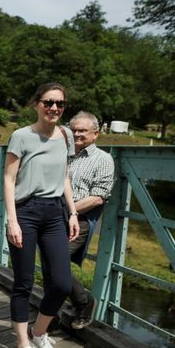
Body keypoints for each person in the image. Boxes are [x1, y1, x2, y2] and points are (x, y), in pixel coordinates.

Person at [3, 83, 80, 348]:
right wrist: (13, 220)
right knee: (23, 281)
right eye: (48, 102)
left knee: (60, 282)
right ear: (36, 104)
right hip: (26, 212)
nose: (54, 108)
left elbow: (64, 178)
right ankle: (23, 344)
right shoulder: (21, 136)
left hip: (54, 212)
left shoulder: (66, 135)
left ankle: (39, 333)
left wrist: (72, 212)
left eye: (60, 104)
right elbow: (9, 180)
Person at [66, 111, 115, 330]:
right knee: (52, 265)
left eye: (82, 130)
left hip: (80, 220)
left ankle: (84, 303)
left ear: (95, 134)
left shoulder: (102, 159)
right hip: (53, 218)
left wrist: (66, 211)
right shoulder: (63, 154)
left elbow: (98, 197)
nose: (76, 134)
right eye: (73, 129)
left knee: (55, 262)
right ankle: (72, 306)